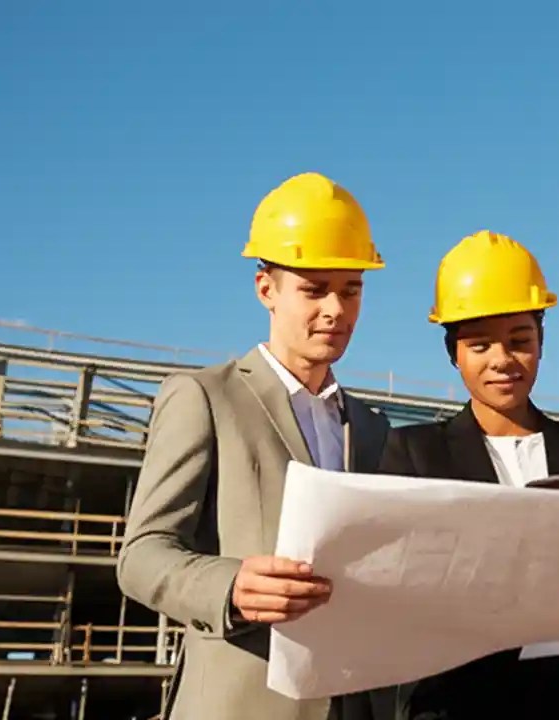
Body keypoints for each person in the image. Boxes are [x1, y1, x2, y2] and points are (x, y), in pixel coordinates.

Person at [350, 230, 559, 720]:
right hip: (465, 702)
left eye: (520, 340)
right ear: (453, 352)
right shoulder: (414, 454)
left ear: (541, 341)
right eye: (479, 345)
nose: (502, 360)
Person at [117, 172, 392, 720]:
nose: (336, 309)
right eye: (314, 289)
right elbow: (141, 555)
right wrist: (231, 585)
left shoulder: (373, 428)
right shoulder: (203, 398)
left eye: (351, 289)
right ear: (265, 289)